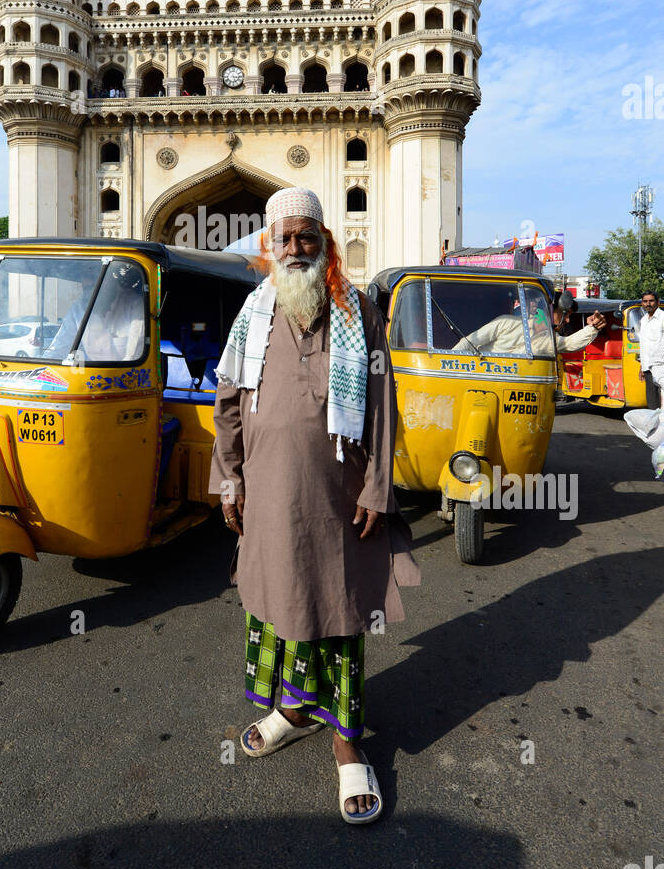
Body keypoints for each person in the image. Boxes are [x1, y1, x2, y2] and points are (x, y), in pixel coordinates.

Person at [208, 186, 419, 824]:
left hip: (339, 497)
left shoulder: (360, 314)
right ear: (269, 246)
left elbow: (382, 408)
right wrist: (229, 479)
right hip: (266, 494)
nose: (295, 249)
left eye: (307, 237)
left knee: (338, 608)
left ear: (324, 242)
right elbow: (227, 405)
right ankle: (294, 710)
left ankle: (348, 743)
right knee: (280, 602)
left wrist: (379, 486)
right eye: (284, 239)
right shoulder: (253, 313)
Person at [451, 296, 606, 357]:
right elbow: (469, 342)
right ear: (552, 309)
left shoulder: (548, 340)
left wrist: (592, 328)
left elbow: (569, 344)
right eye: (566, 315)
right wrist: (445, 365)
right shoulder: (506, 323)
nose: (566, 321)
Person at [636, 291, 664, 410]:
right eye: (645, 301)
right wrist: (642, 366)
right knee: (652, 403)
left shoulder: (662, 318)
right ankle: (657, 428)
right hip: (648, 368)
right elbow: (644, 344)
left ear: (657, 302)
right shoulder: (643, 320)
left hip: (661, 365)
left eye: (651, 301)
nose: (648, 304)